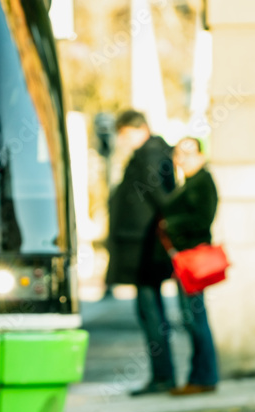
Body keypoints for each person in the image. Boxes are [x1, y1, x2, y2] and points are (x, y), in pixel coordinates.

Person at [106, 110, 177, 395]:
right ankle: (162, 375)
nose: (122, 141)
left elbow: (161, 199)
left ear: (136, 129)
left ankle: (162, 377)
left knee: (150, 315)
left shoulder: (147, 155)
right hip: (144, 247)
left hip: (144, 249)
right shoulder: (154, 152)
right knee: (150, 313)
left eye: (123, 134)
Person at [159, 137, 220, 395]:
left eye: (188, 153)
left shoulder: (202, 182)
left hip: (193, 259)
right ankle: (200, 376)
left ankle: (204, 377)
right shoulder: (189, 183)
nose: (181, 159)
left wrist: (170, 226)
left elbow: (202, 219)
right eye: (177, 154)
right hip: (185, 260)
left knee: (196, 319)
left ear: (201, 156)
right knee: (193, 318)